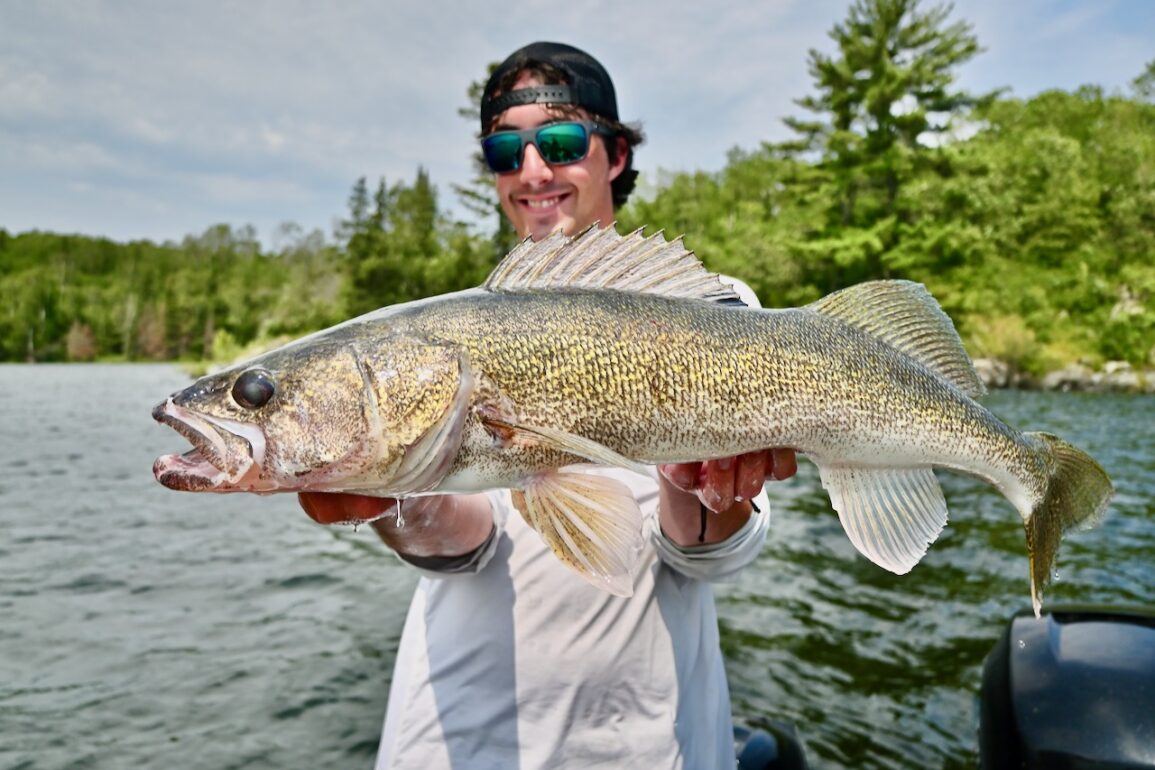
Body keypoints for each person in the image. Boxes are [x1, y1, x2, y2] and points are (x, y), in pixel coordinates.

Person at [299, 41, 798, 769]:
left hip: (650, 743)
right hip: (457, 743)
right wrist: (392, 496)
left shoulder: (714, 312)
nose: (533, 170)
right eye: (506, 151)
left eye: (560, 141)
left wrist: (703, 486)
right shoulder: (441, 339)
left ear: (615, 155)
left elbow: (706, 556)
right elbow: (470, 542)